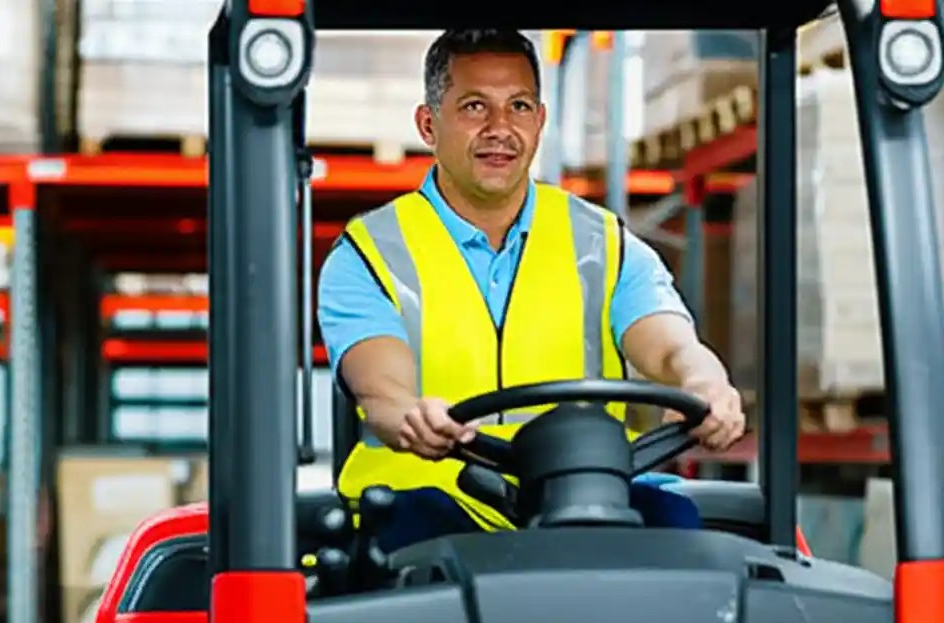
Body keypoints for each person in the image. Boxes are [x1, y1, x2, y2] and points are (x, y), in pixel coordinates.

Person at [317, 30, 745, 551]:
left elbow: (673, 345)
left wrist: (705, 384)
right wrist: (410, 415)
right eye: (475, 107)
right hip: (433, 500)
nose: (501, 129)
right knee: (410, 545)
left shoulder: (601, 243)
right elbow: (382, 389)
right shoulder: (370, 253)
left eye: (518, 106)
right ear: (429, 124)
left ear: (539, 122)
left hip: (588, 494)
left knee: (678, 529)